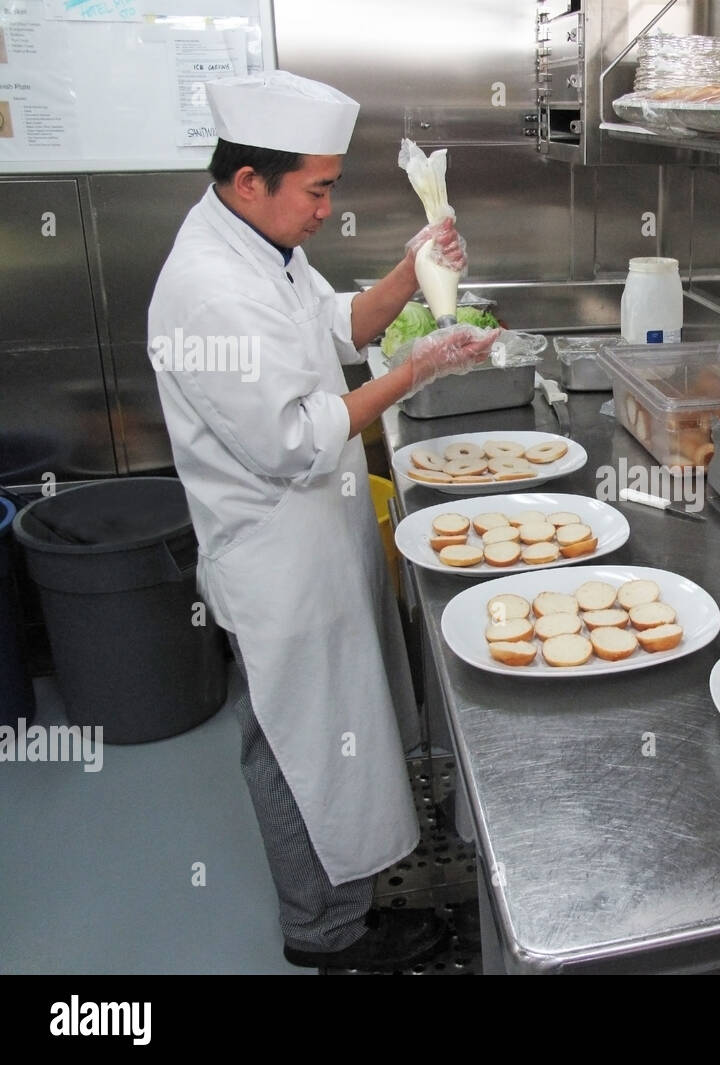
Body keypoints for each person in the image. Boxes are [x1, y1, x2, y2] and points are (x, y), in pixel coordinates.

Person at [147, 71, 497, 971]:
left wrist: (411, 264)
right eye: (317, 189)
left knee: (333, 726)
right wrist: (416, 370)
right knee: (292, 739)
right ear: (249, 180)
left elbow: (340, 323)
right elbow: (295, 440)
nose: (325, 207)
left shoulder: (263, 246)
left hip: (319, 538)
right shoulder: (207, 289)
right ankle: (326, 935)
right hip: (274, 558)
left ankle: (345, 901)